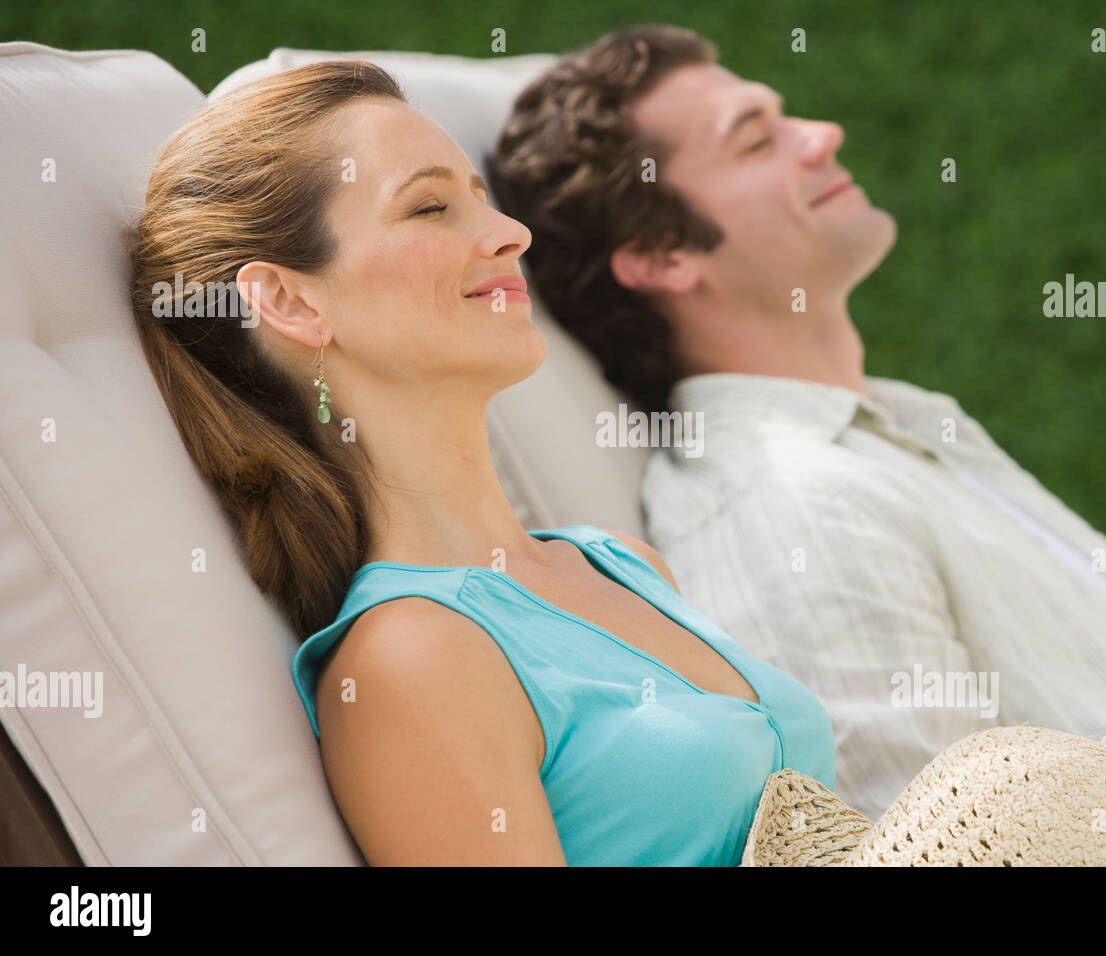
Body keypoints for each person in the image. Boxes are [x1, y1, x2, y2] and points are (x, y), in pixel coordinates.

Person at [487, 24, 1106, 866]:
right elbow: (929, 854)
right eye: (759, 138)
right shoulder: (789, 505)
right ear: (662, 256)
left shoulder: (896, 429)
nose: (824, 134)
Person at [128, 59, 836, 866]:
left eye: (479, 196)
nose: (511, 233)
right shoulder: (410, 659)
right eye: (429, 206)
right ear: (291, 303)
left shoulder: (621, 564)